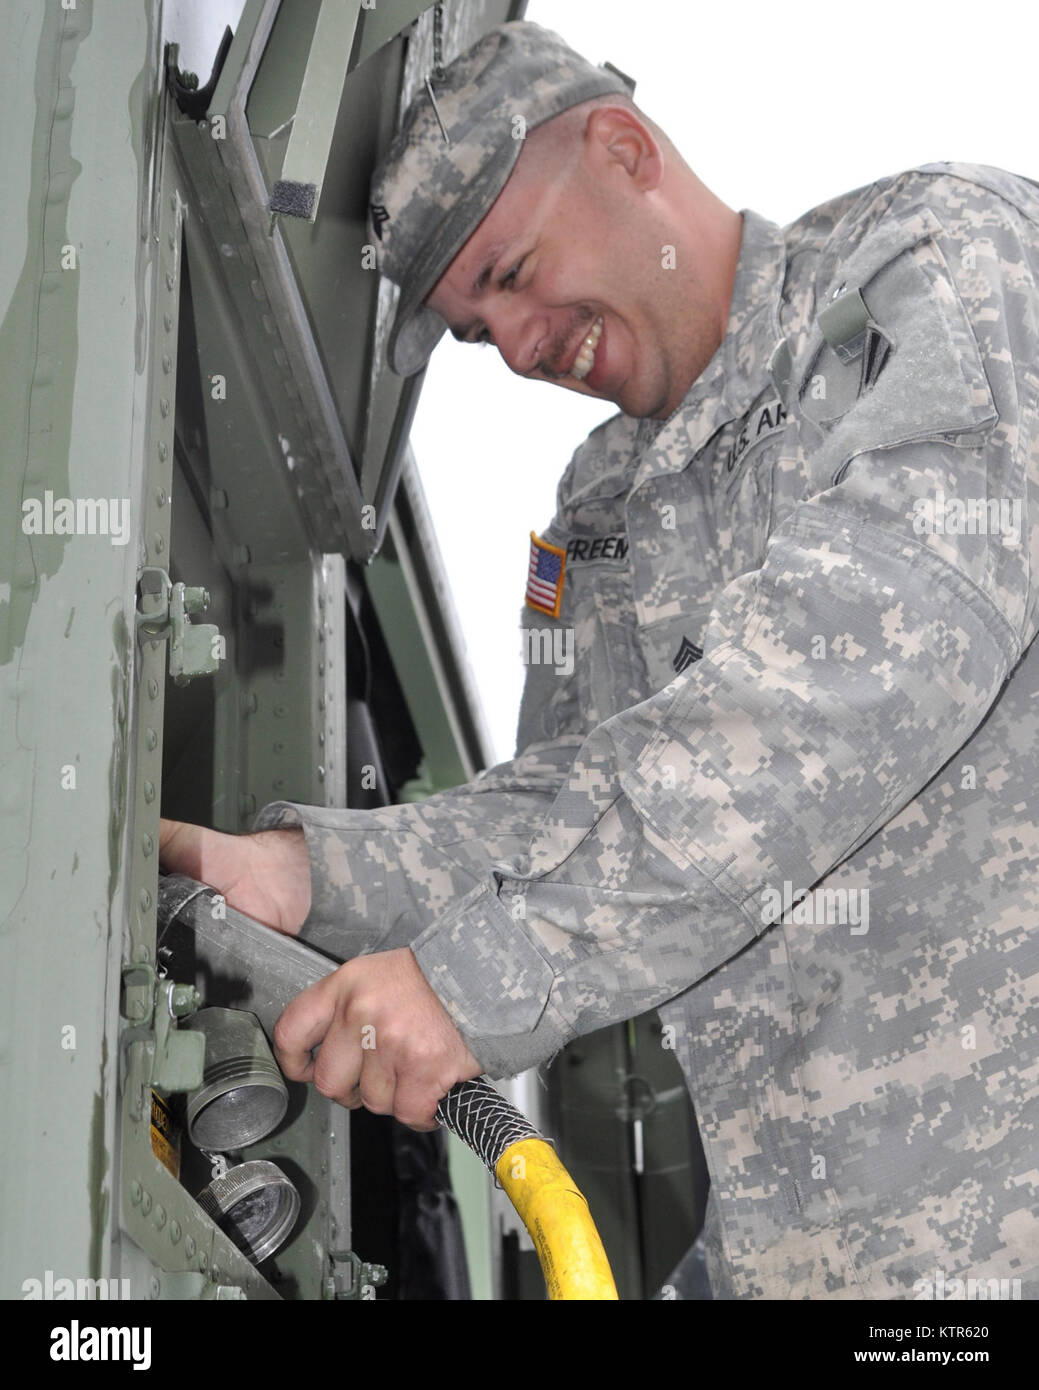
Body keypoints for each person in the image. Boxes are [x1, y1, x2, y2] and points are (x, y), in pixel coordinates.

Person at [161, 21, 1039, 1299]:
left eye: (512, 274)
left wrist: (478, 978)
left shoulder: (929, 265)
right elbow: (569, 801)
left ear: (624, 151)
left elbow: (850, 685)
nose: (521, 347)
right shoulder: (591, 523)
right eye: (480, 332)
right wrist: (311, 874)